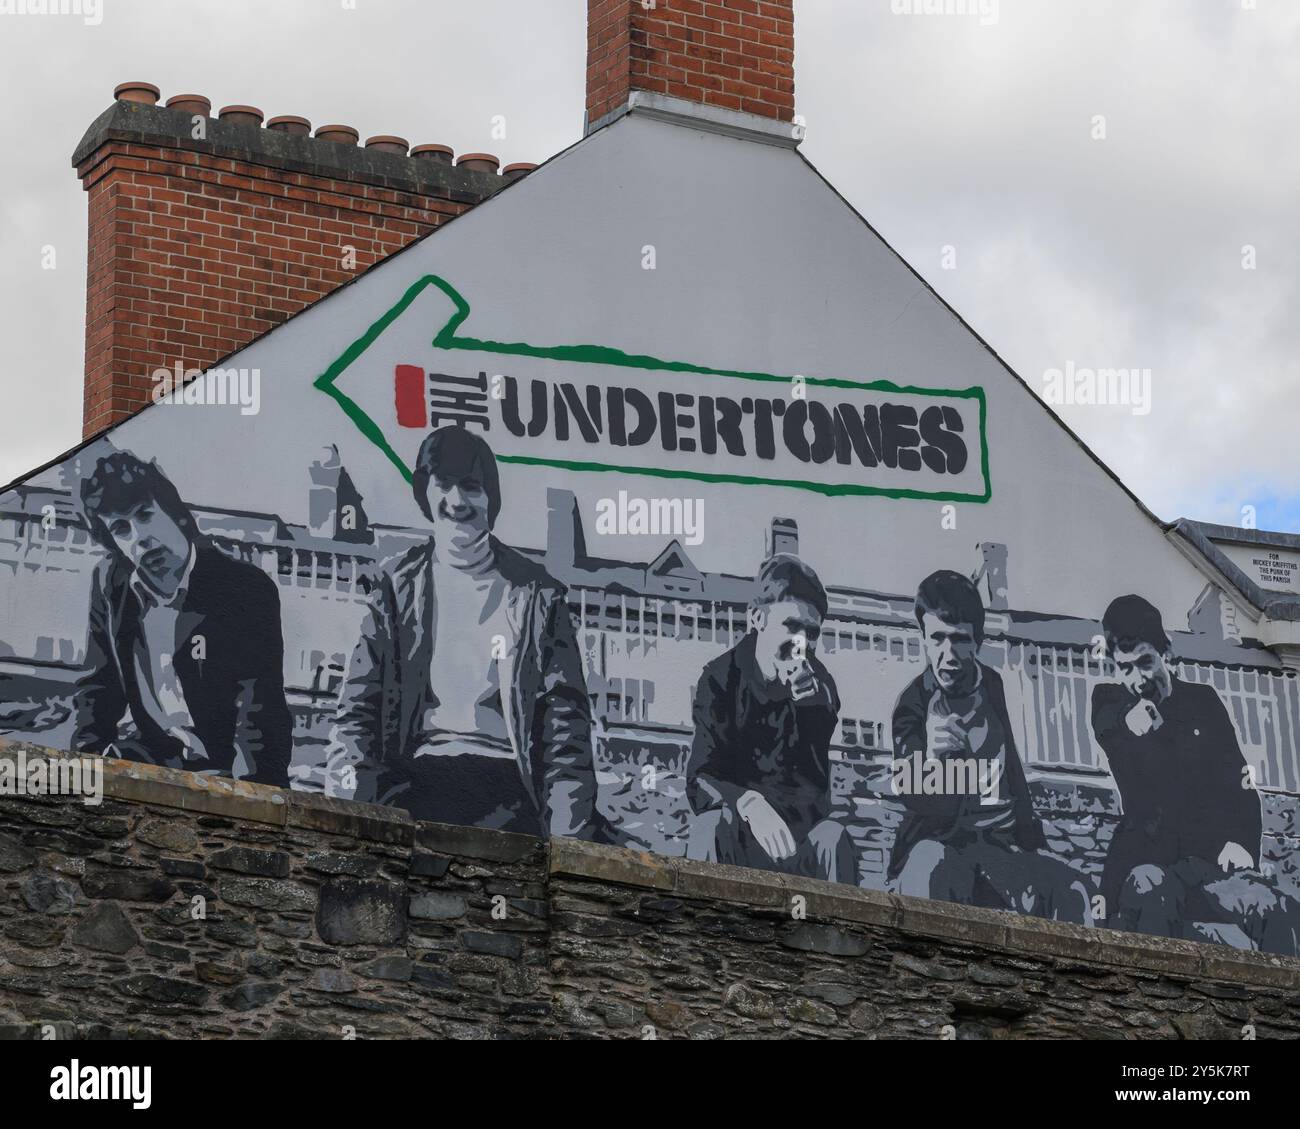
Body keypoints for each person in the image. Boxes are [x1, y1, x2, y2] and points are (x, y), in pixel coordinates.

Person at [326, 426, 604, 840]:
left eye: (471, 487)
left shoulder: (540, 598)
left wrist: (570, 840)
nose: (457, 501)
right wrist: (346, 814)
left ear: (491, 498)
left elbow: (566, 733)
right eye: (444, 485)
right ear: (425, 492)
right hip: (415, 780)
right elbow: (357, 714)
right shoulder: (393, 590)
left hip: (508, 786)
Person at [72, 450, 292, 785]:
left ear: (174, 513)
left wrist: (246, 794)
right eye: (121, 529)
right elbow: (98, 689)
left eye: (145, 515)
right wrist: (82, 772)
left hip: (227, 767)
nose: (140, 538)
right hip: (154, 759)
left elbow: (258, 707)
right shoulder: (110, 584)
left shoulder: (244, 588)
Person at [1091, 594, 1297, 953]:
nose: (1138, 679)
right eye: (1125, 668)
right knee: (1152, 889)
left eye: (1144, 662)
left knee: (1277, 907)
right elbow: (1110, 726)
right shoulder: (1109, 701)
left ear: (1166, 652)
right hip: (1146, 863)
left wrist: (1241, 844)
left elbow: (1240, 784)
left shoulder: (1204, 703)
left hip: (1208, 865)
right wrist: (1130, 720)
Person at [888, 570, 1091, 924]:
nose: (948, 654)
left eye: (959, 640)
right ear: (923, 638)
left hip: (999, 849)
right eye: (937, 638)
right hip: (939, 846)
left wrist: (1034, 844)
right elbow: (911, 796)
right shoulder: (912, 704)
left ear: (977, 641)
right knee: (933, 868)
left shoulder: (992, 685)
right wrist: (931, 758)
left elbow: (1011, 769)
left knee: (1073, 890)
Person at [686, 553, 856, 884]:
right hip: (738, 838)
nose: (801, 643)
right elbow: (700, 778)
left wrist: (809, 708)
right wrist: (747, 802)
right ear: (757, 618)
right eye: (791, 626)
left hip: (795, 845)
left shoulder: (821, 687)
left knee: (833, 838)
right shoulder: (721, 678)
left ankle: (836, 920)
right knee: (708, 827)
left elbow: (815, 792)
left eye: (811, 632)